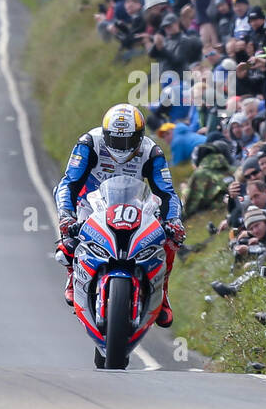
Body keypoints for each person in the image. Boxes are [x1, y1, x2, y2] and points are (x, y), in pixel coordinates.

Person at [54, 103, 184, 326]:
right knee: (69, 243)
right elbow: (69, 183)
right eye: (115, 140)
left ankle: (161, 294)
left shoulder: (152, 151)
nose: (121, 147)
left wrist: (173, 221)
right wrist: (67, 215)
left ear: (140, 136)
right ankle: (72, 277)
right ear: (105, 135)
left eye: (128, 140)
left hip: (134, 205)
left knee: (168, 241)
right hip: (91, 203)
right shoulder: (89, 143)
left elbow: (167, 193)